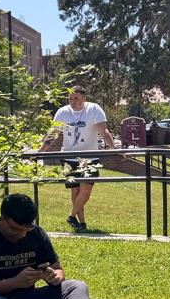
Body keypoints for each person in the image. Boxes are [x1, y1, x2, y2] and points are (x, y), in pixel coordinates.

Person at [40, 86, 115, 231]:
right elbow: (52, 135)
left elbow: (103, 131)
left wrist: (115, 149)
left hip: (89, 158)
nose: (73, 101)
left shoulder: (94, 109)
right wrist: (39, 152)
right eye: (70, 99)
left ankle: (71, 216)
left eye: (76, 98)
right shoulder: (62, 112)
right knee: (75, 192)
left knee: (86, 189)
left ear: (84, 98)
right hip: (68, 157)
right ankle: (81, 224)